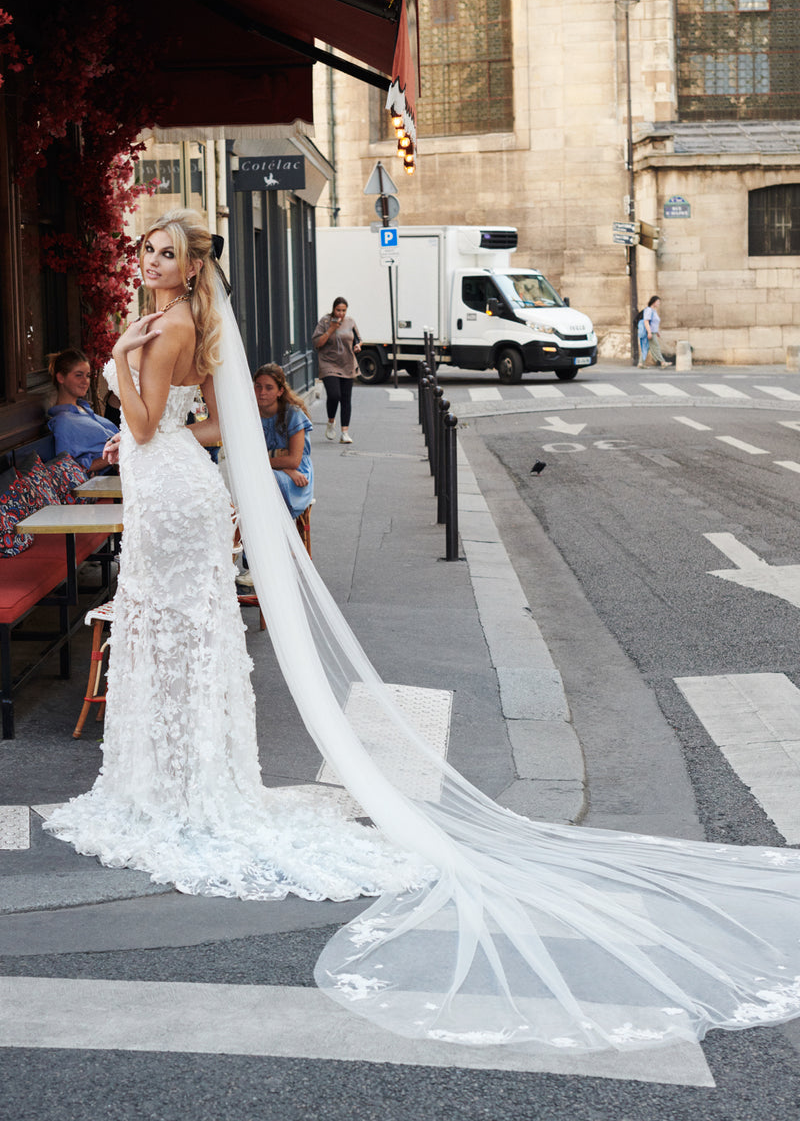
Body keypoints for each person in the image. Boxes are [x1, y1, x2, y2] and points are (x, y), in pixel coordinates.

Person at [45, 209, 800, 1056]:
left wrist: (120, 360)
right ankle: (176, 784)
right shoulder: (173, 321)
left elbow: (143, 424)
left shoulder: (174, 324)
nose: (152, 263)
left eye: (168, 254)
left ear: (192, 270)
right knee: (174, 639)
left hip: (173, 491)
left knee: (175, 637)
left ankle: (184, 791)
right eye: (146, 250)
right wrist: (153, 392)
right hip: (170, 486)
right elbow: (190, 424)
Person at [253, 363, 314, 519]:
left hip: (298, 475)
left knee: (266, 482)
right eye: (258, 386)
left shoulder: (293, 414)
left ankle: (271, 532)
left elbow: (294, 461)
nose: (262, 393)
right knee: (250, 483)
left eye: (269, 388)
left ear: (280, 391)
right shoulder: (251, 415)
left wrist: (286, 469)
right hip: (273, 470)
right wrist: (285, 469)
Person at [46, 349, 119, 474]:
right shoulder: (63, 422)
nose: (85, 381)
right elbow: (69, 468)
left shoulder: (84, 409)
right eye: (78, 375)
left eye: (88, 376)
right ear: (61, 378)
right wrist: (115, 456)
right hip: (108, 480)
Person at [312, 296, 361, 444]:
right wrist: (331, 329)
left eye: (344, 311)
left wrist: (358, 346)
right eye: (338, 310)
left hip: (347, 363)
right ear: (333, 309)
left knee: (346, 398)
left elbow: (357, 338)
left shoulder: (350, 321)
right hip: (329, 363)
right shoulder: (325, 322)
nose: (341, 313)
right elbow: (317, 343)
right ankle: (330, 422)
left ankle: (344, 432)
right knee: (334, 395)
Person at [638, 294, 669, 367]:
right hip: (650, 332)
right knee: (656, 347)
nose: (659, 304)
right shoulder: (648, 310)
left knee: (646, 347)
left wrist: (657, 332)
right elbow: (646, 321)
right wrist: (649, 332)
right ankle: (663, 362)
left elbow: (654, 323)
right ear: (654, 302)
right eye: (658, 302)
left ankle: (640, 363)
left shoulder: (653, 311)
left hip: (653, 332)